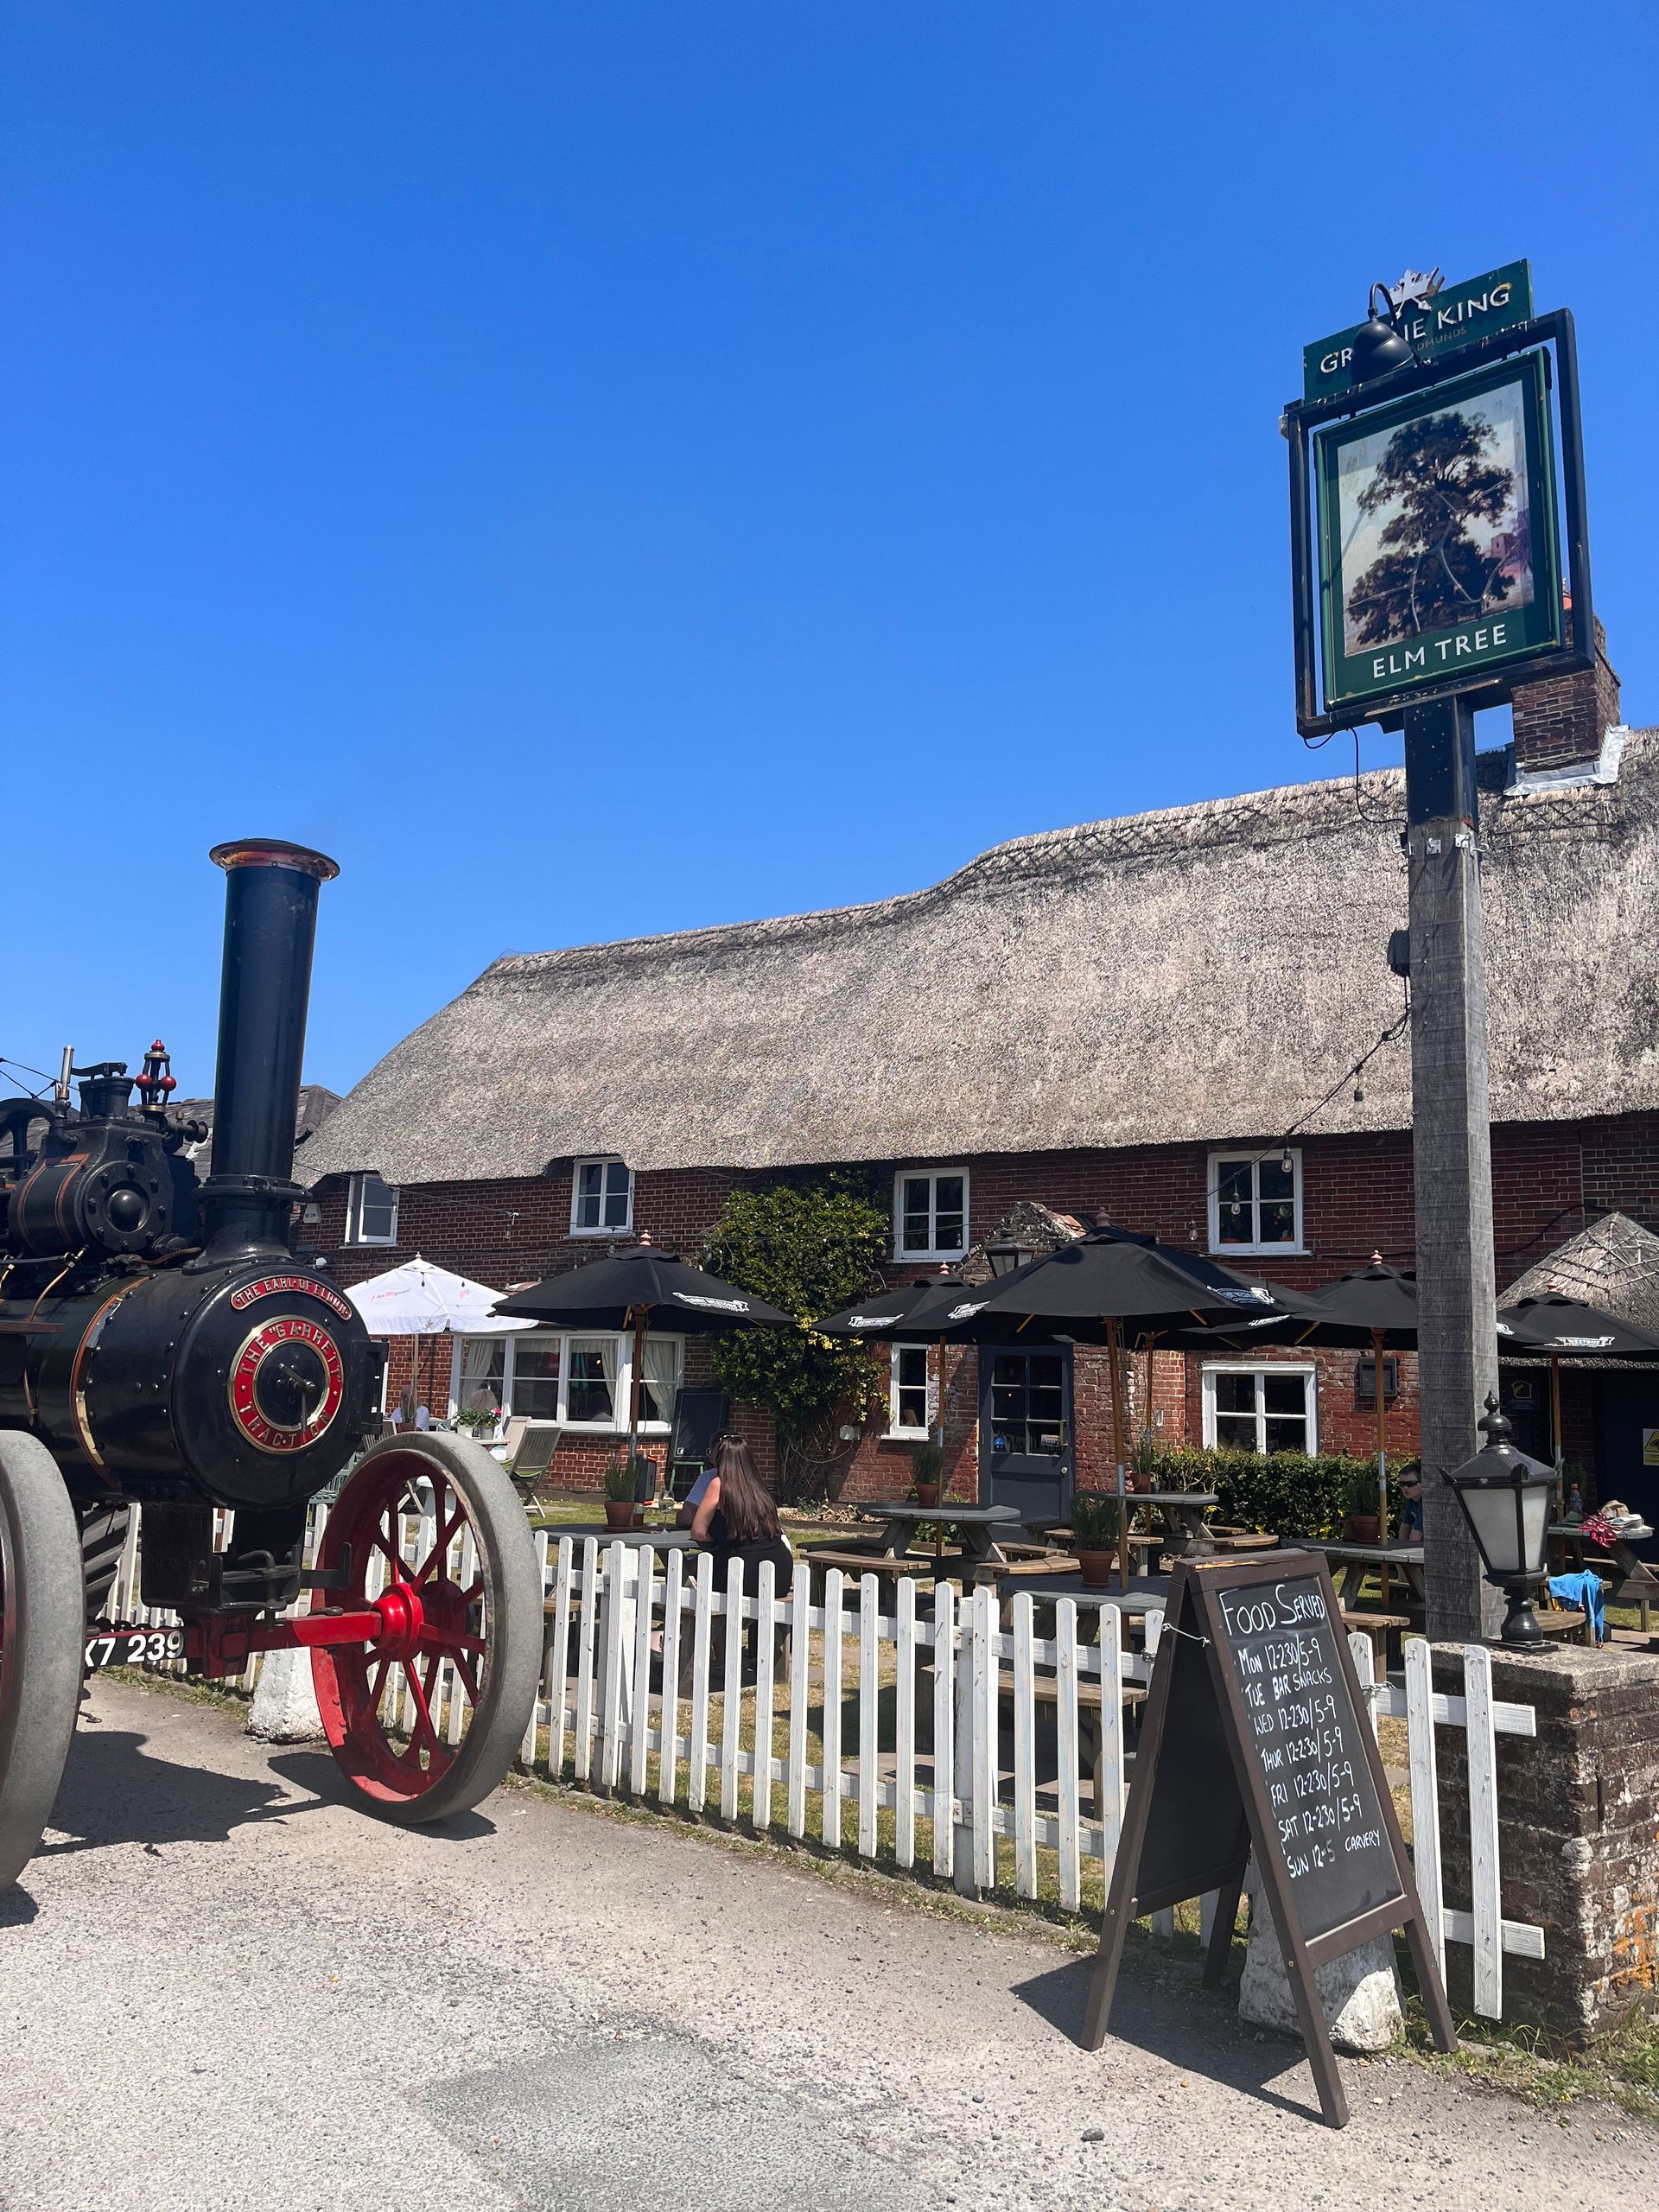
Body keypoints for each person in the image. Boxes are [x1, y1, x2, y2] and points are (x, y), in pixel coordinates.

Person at [688, 1439, 792, 1679]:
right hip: (778, 1569)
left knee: (697, 1577)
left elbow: (698, 1531)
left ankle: (722, 1661)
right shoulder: (759, 1486)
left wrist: (717, 1538)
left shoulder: (718, 1484)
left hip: (743, 1569)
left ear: (720, 1460)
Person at [1396, 1462, 1424, 1542]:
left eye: (1411, 1484)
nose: (1405, 1488)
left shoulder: (1426, 1504)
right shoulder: (1411, 1500)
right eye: (1402, 1484)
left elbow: (1415, 1536)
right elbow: (1405, 1526)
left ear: (1423, 1483)